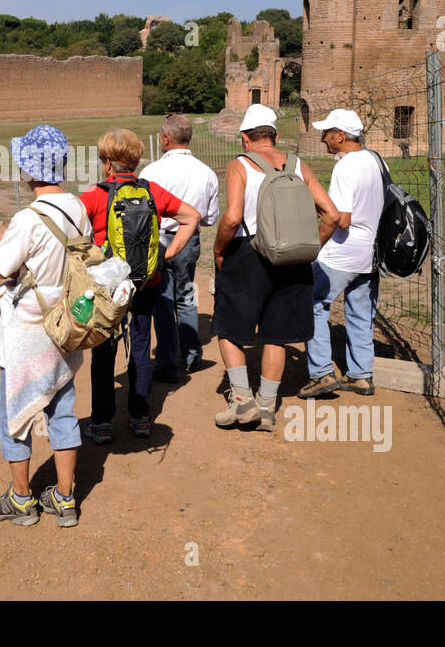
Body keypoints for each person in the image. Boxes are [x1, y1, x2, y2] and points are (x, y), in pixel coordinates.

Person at [0, 124, 92, 527]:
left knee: (16, 411)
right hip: (67, 323)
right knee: (63, 409)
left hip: (29, 326)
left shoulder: (29, 218)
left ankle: (23, 499)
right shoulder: (77, 208)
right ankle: (65, 499)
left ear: (27, 170)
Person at [211, 105, 340, 431]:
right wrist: (311, 249)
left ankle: (242, 402)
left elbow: (232, 218)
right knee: (277, 333)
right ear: (275, 134)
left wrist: (218, 251)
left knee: (228, 326)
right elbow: (332, 216)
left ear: (244, 138)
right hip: (293, 258)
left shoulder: (239, 165)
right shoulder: (298, 165)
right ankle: (266, 407)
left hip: (248, 254)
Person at [81, 129, 200, 442]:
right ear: (134, 161)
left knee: (103, 351)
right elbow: (192, 217)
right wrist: (166, 254)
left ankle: (102, 422)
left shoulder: (93, 196)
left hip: (108, 287)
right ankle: (140, 418)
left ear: (107, 163)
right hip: (147, 281)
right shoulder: (152, 192)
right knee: (141, 345)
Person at [299, 109, 385, 398]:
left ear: (340, 135)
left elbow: (341, 219)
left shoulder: (346, 166)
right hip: (370, 253)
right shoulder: (376, 160)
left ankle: (321, 372)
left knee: (313, 304)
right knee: (360, 312)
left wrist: (315, 244)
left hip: (342, 254)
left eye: (326, 133)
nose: (323, 138)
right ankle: (361, 375)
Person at [141, 114, 219, 382]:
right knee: (186, 296)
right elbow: (209, 218)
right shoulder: (206, 172)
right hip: (189, 241)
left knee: (162, 302)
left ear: (165, 138)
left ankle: (166, 362)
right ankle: (190, 355)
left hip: (160, 240)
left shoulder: (150, 172)